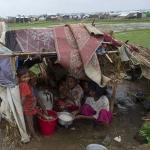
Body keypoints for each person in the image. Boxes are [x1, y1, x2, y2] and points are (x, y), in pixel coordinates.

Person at [18, 68, 39, 140]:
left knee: (30, 122)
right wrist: (20, 106)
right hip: (28, 107)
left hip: (28, 106)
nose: (27, 78)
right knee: (30, 122)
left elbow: (24, 97)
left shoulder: (21, 84)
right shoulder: (24, 85)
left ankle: (31, 133)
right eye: (24, 77)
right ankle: (34, 135)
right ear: (19, 78)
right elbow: (23, 98)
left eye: (27, 76)